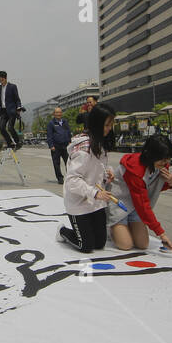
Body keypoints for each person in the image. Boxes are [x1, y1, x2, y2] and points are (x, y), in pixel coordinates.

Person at [107, 134, 172, 258]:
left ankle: (125, 228)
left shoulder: (160, 164)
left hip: (135, 208)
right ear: (151, 155)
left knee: (142, 244)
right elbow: (142, 205)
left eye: (167, 159)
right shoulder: (135, 169)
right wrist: (161, 233)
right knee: (125, 245)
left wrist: (171, 182)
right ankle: (112, 227)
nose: (165, 163)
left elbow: (152, 186)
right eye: (162, 160)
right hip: (119, 203)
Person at [60, 102, 118, 253]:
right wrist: (96, 193)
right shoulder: (83, 149)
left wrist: (107, 174)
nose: (109, 128)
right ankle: (62, 231)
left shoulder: (100, 144)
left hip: (95, 202)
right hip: (79, 202)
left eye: (111, 124)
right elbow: (72, 181)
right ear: (97, 124)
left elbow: (98, 169)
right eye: (106, 125)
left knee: (99, 243)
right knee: (85, 246)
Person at [0, 71, 24, 150]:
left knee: (10, 127)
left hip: (12, 111)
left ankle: (18, 142)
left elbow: (17, 99)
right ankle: (10, 143)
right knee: (1, 128)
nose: (1, 81)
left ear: (5, 78)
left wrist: (19, 107)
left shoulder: (12, 86)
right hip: (3, 111)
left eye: (2, 79)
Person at [46, 106, 71, 184]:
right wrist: (51, 145)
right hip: (56, 147)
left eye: (60, 112)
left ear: (61, 113)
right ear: (54, 114)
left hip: (65, 146)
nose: (58, 114)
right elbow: (49, 135)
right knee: (56, 164)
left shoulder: (65, 122)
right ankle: (60, 178)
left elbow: (68, 132)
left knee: (69, 163)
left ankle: (70, 177)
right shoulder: (51, 123)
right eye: (57, 112)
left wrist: (70, 141)